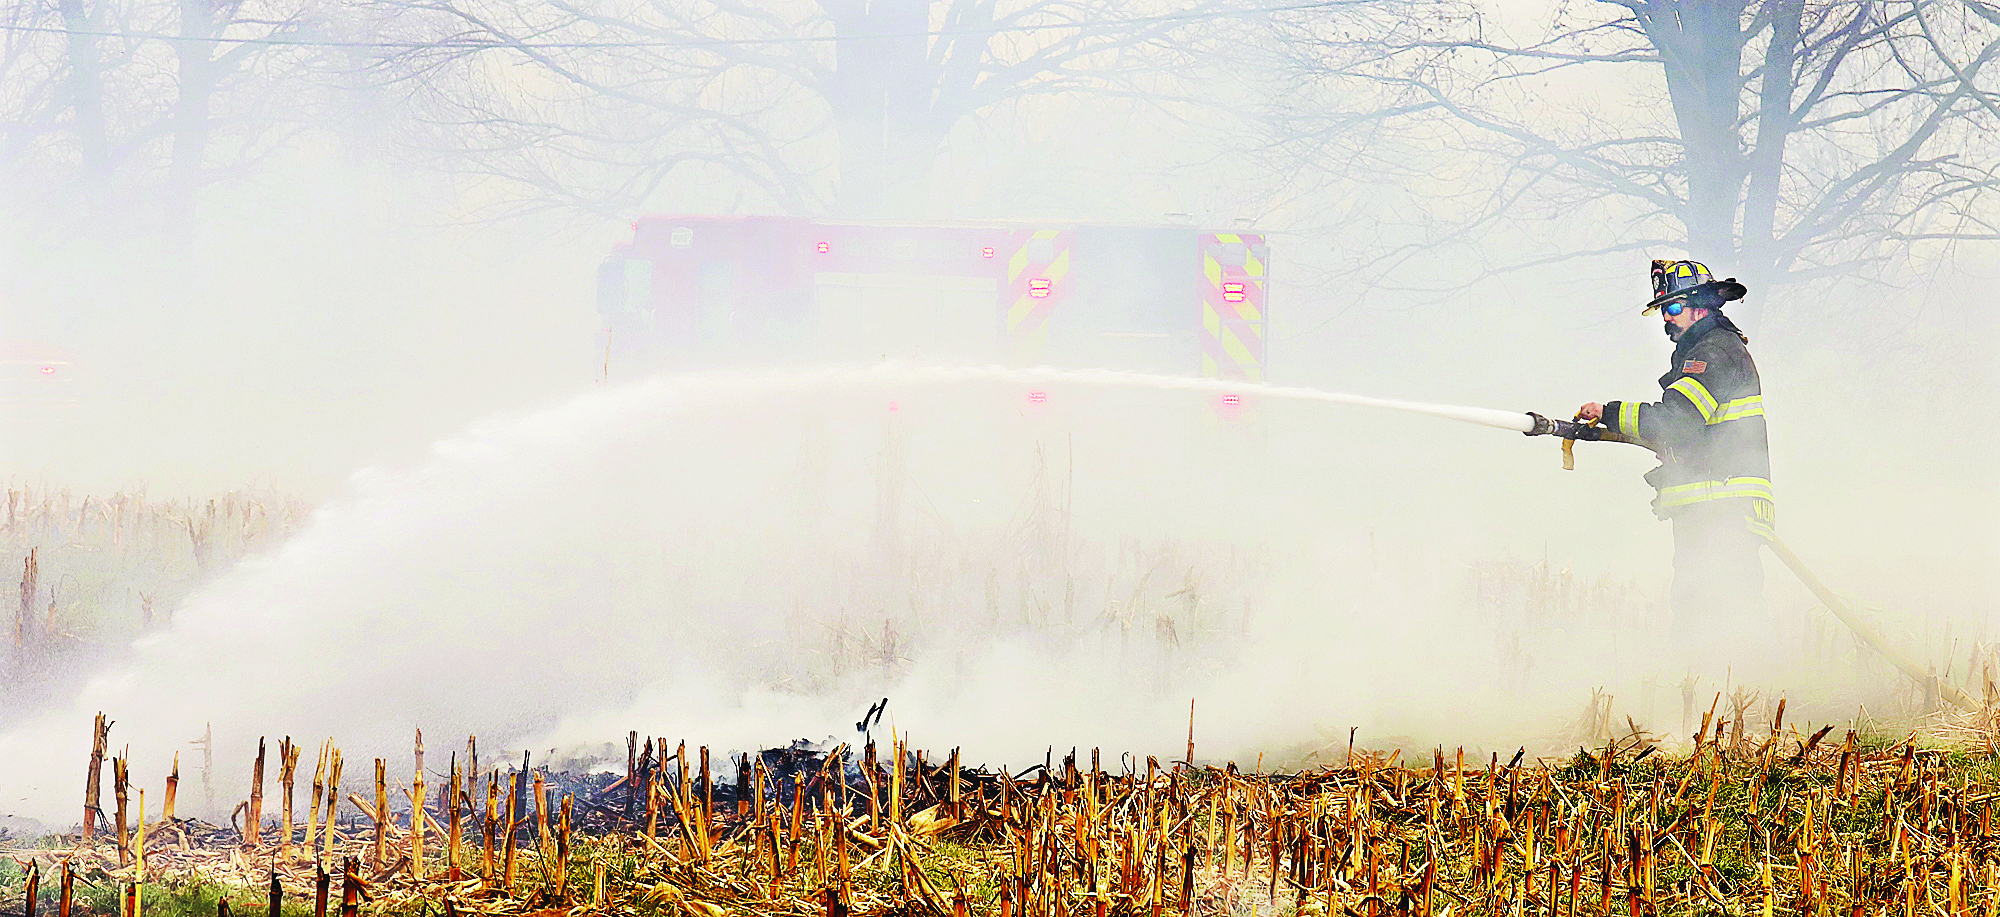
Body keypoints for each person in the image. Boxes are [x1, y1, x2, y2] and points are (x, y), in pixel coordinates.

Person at [1577, 260, 1773, 670]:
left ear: (1701, 306)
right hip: (1714, 505)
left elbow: (1677, 420)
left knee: (1713, 603)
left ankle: (1728, 694)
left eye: (1673, 309)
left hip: (1722, 508)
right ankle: (1709, 694)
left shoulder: (1713, 352)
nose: (1666, 321)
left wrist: (1608, 412)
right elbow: (1696, 432)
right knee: (1707, 600)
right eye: (1662, 311)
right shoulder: (1713, 350)